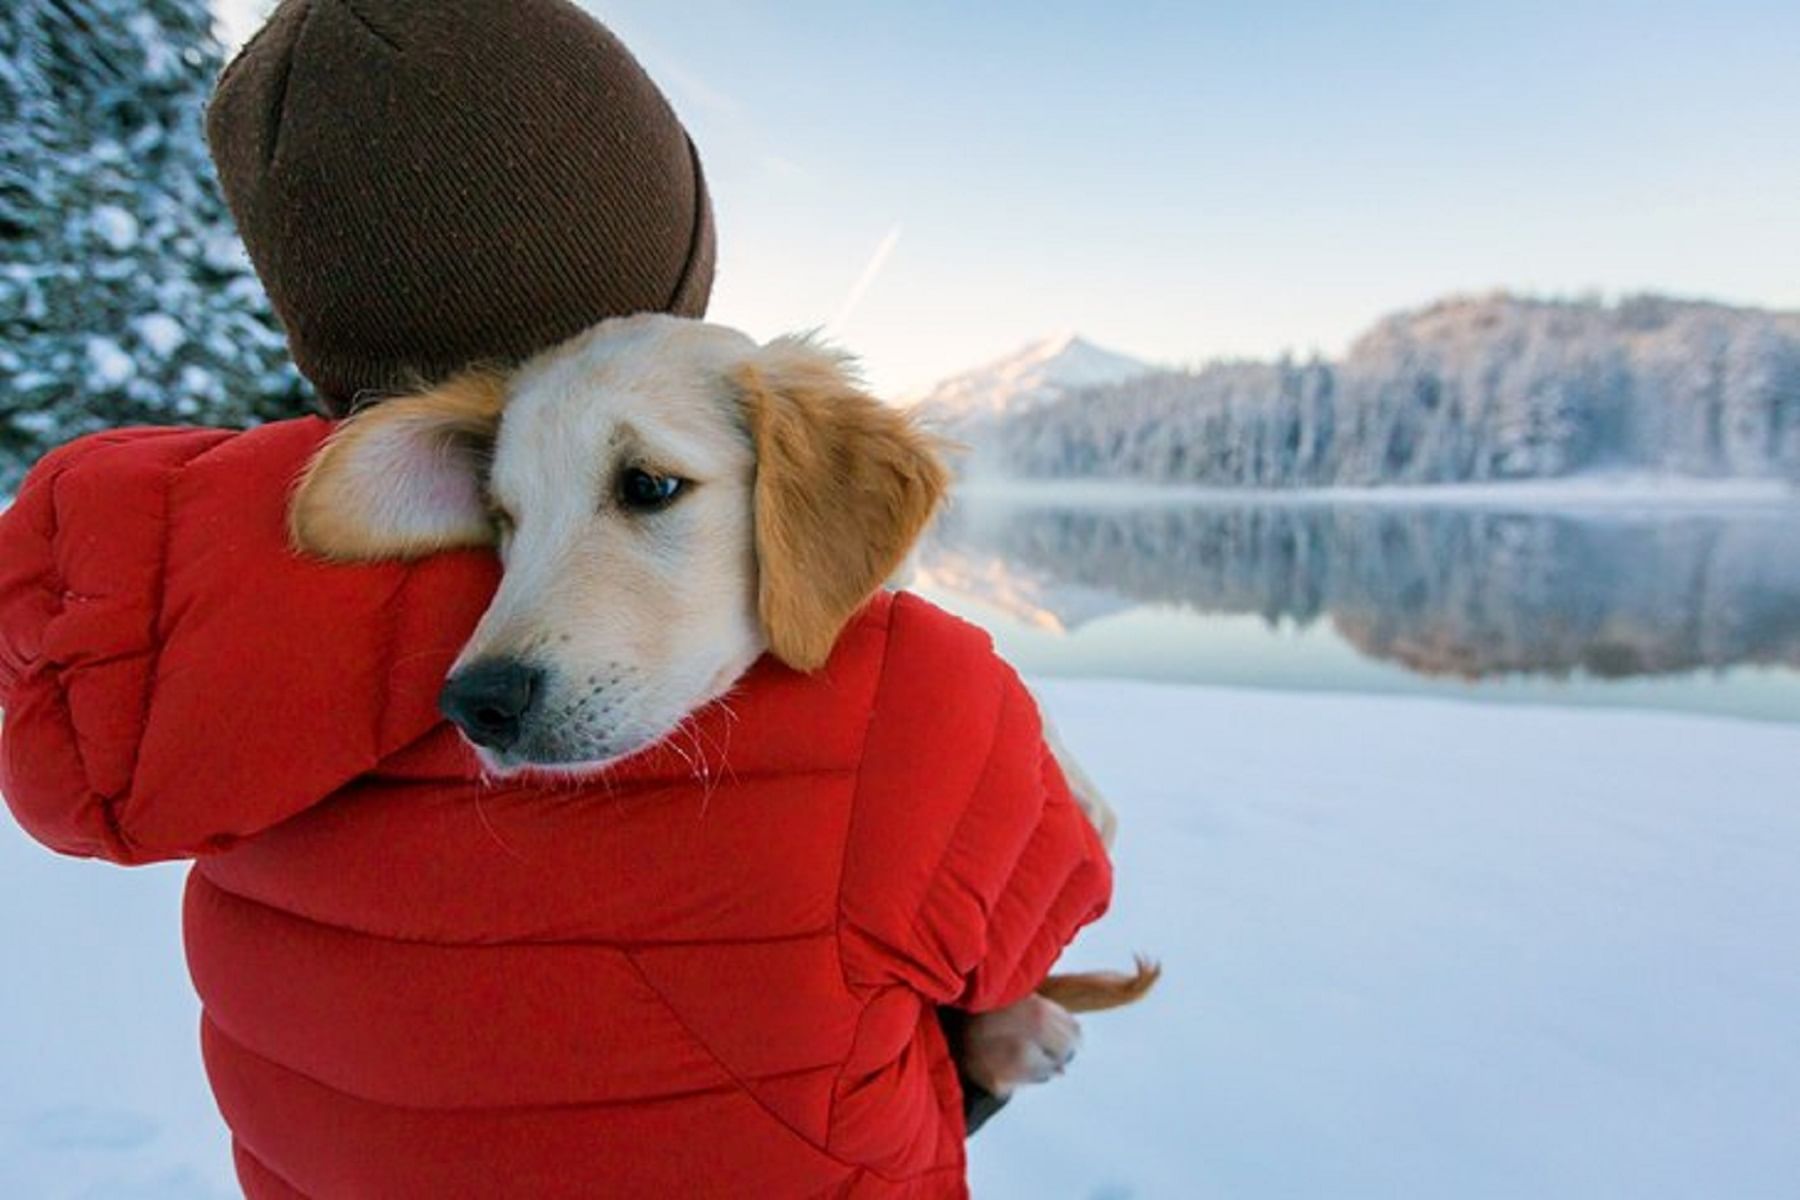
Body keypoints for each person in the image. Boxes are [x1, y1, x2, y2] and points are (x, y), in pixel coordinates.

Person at [0, 2, 1110, 1194]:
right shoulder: (908, 700)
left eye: (646, 489)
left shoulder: (207, 676)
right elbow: (1063, 887)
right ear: (671, 248)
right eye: (516, 518)